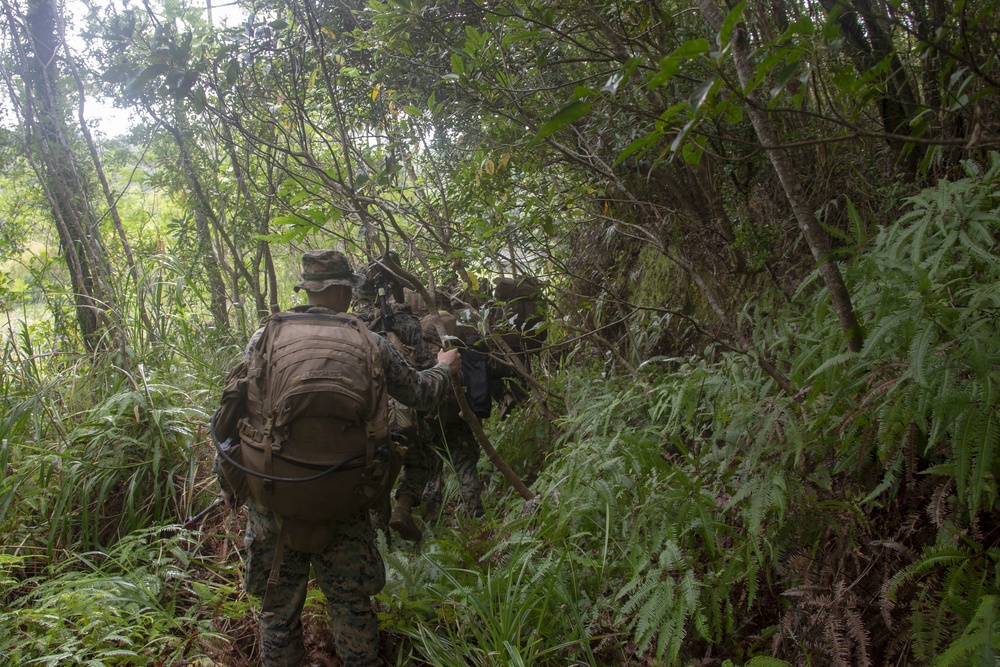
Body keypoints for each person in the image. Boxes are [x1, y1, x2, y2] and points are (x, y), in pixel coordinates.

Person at [217, 249, 460, 667]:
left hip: (277, 495)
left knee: (277, 610)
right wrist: (443, 367)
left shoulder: (265, 338)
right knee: (351, 607)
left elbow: (230, 413)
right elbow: (421, 395)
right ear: (346, 290)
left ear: (309, 289)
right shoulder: (370, 342)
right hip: (346, 494)